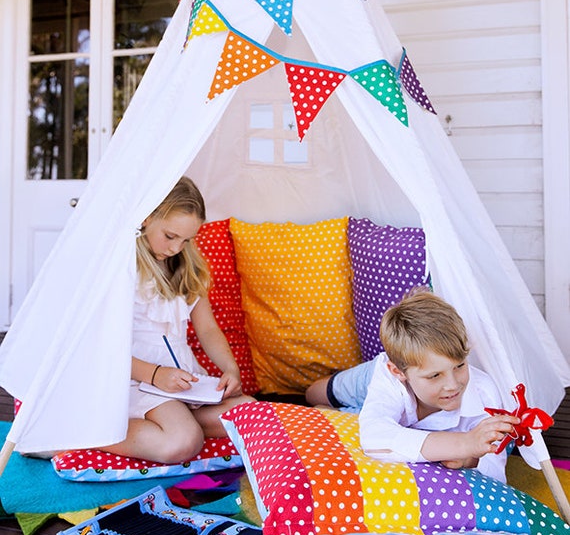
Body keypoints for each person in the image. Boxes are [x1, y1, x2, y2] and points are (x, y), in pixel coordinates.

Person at [101, 176, 253, 465]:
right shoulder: (121, 267)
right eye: (170, 236)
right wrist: (156, 374)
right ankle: (86, 433)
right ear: (146, 218)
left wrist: (230, 369)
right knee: (183, 441)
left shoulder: (186, 268)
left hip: (181, 381)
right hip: (135, 380)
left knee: (249, 413)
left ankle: (182, 419)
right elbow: (100, 346)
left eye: (186, 240)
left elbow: (207, 329)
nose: (176, 248)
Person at [305, 289, 519, 482]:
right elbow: (375, 436)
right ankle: (327, 395)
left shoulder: (485, 395)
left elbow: (495, 471)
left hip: (397, 411)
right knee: (314, 394)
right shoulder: (389, 378)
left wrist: (468, 460)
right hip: (372, 378)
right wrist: (463, 443)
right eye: (435, 375)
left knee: (344, 415)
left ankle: (333, 412)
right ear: (398, 371)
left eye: (460, 365)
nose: (453, 385)